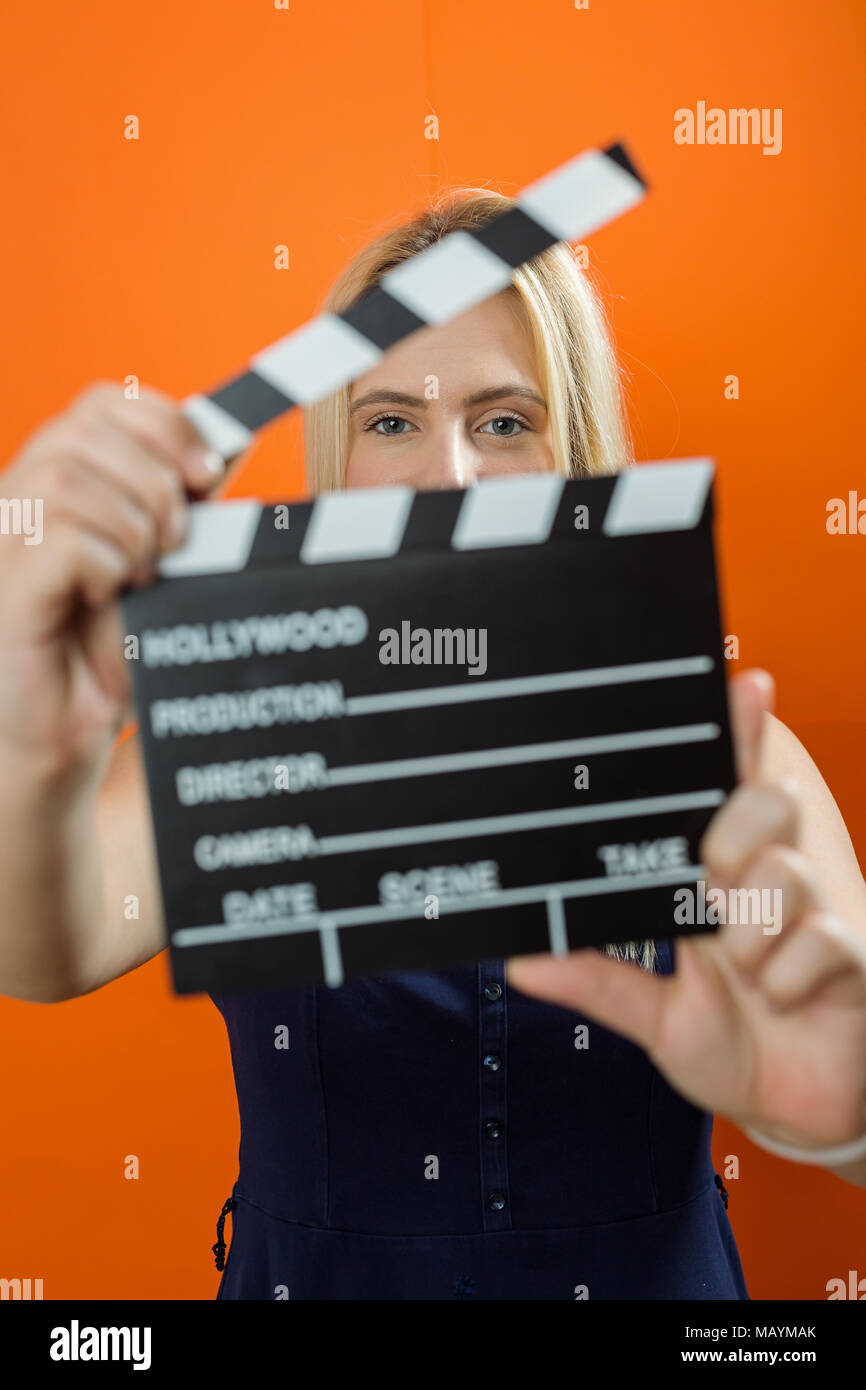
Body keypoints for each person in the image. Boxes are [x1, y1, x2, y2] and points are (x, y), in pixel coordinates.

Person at [1, 187, 865, 1301]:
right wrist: (34, 745)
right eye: (391, 419)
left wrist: (847, 1118)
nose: (445, 473)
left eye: (502, 421)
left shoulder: (728, 752)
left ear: (577, 451)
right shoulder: (243, 733)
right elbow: (45, 949)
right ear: (341, 454)